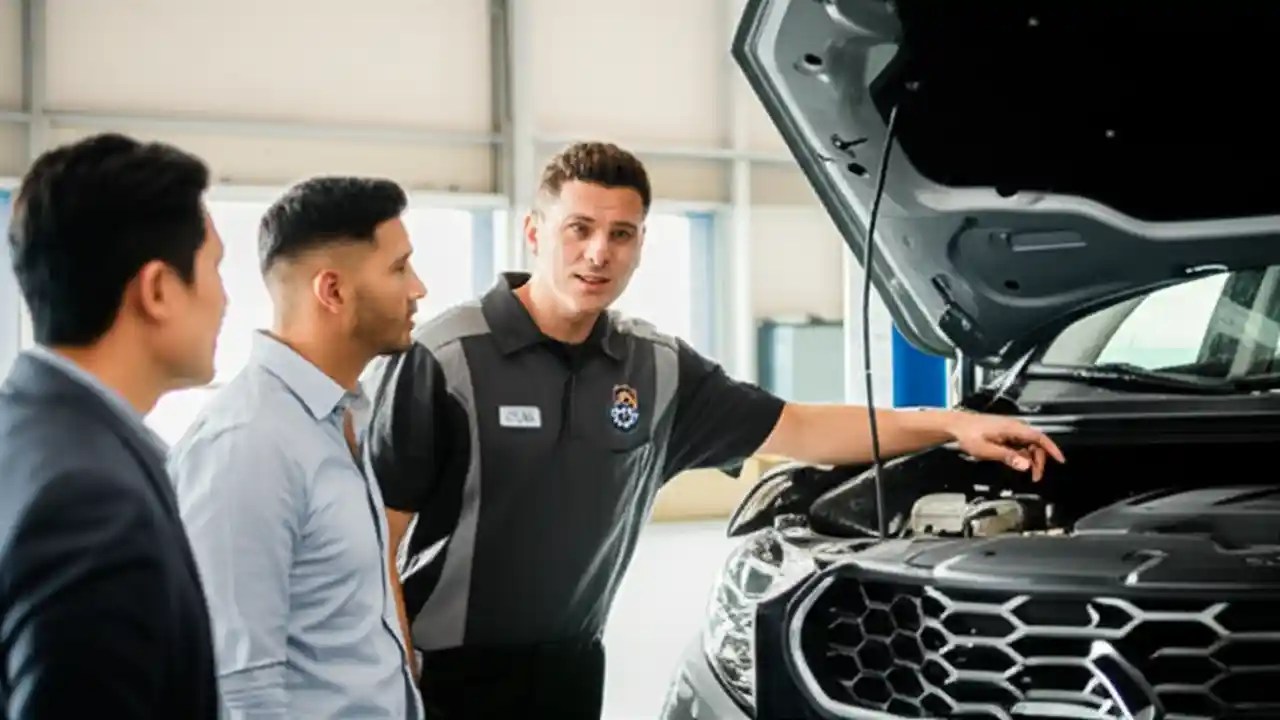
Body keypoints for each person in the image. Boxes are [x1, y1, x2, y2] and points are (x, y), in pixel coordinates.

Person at [359, 141, 1067, 718]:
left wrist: (950, 425)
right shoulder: (447, 357)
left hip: (574, 667)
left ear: (640, 245)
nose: (598, 253)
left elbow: (800, 425)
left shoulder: (656, 366)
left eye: (621, 234)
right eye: (579, 229)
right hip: (443, 676)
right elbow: (375, 540)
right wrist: (394, 676)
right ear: (536, 231)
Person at [167, 176, 426, 719]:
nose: (418, 288)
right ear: (331, 291)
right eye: (399, 268)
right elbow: (238, 691)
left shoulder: (337, 417)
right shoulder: (248, 446)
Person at [0, 132, 225, 718]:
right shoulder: (93, 502)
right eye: (214, 269)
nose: (225, 300)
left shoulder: (24, 434)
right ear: (156, 290)